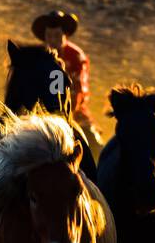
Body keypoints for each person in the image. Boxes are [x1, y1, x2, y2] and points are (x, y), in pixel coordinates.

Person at [31, 9, 103, 151]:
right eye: (49, 36)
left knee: (96, 148)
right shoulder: (36, 57)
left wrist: (65, 115)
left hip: (74, 114)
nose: (52, 40)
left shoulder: (76, 56)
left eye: (57, 35)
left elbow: (79, 90)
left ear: (65, 35)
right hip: (38, 116)